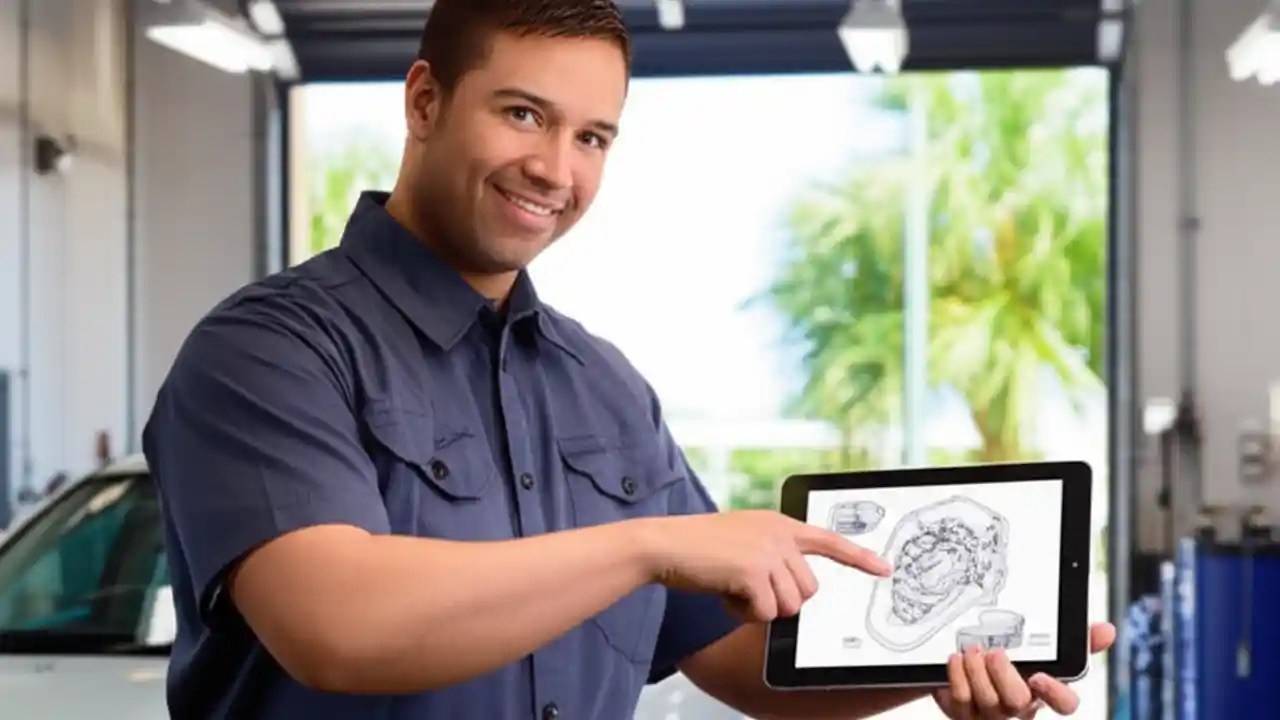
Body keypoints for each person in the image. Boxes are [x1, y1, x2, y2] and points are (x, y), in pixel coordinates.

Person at [142, 1, 1115, 718]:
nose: (556, 170)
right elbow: (338, 628)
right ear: (425, 100)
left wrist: (943, 658)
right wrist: (646, 544)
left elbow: (734, 660)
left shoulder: (601, 387)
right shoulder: (268, 352)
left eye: (591, 136)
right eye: (522, 114)